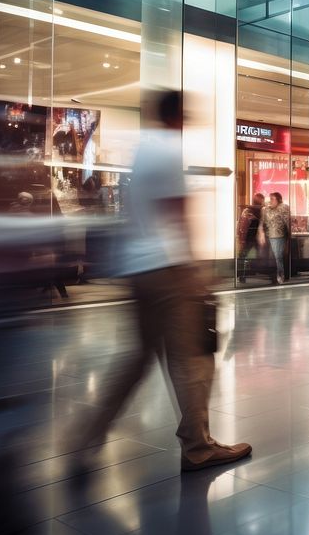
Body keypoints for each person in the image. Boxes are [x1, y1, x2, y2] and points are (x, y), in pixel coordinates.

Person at [76, 90, 251, 472]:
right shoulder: (172, 151)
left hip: (138, 271)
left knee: (137, 360)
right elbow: (177, 216)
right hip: (169, 271)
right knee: (193, 361)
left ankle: (86, 437)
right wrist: (197, 272)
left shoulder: (144, 151)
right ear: (180, 117)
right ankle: (199, 447)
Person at [259, 192, 290, 285]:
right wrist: (261, 233)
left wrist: (289, 236)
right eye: (270, 198)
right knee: (271, 258)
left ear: (278, 200)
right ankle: (275, 276)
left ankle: (280, 275)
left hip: (279, 236)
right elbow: (262, 222)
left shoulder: (283, 208)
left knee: (277, 256)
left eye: (273, 199)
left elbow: (287, 222)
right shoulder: (266, 209)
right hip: (269, 236)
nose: (270, 200)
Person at [235, 193, 264, 283]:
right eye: (262, 200)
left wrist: (239, 235)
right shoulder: (261, 210)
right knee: (260, 254)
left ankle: (242, 275)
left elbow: (241, 224)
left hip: (247, 236)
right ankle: (252, 271)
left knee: (243, 255)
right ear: (261, 200)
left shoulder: (247, 210)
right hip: (254, 237)